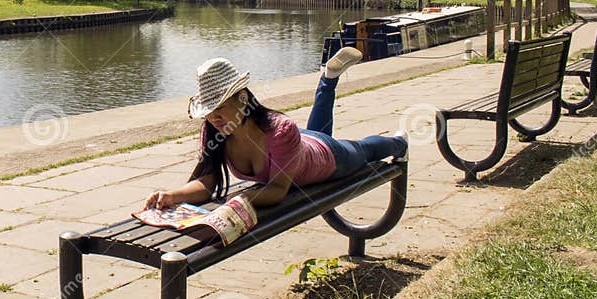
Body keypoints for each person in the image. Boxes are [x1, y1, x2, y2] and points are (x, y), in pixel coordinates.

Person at [143, 48, 408, 210]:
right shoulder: (214, 131)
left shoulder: (281, 131)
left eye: (219, 109)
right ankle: (328, 79)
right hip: (298, 147)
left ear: (243, 99)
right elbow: (207, 182)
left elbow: (279, 189)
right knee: (319, 132)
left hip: (329, 158)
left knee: (364, 150)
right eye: (208, 113)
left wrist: (239, 202)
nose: (213, 118)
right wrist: (172, 195)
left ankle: (399, 143)